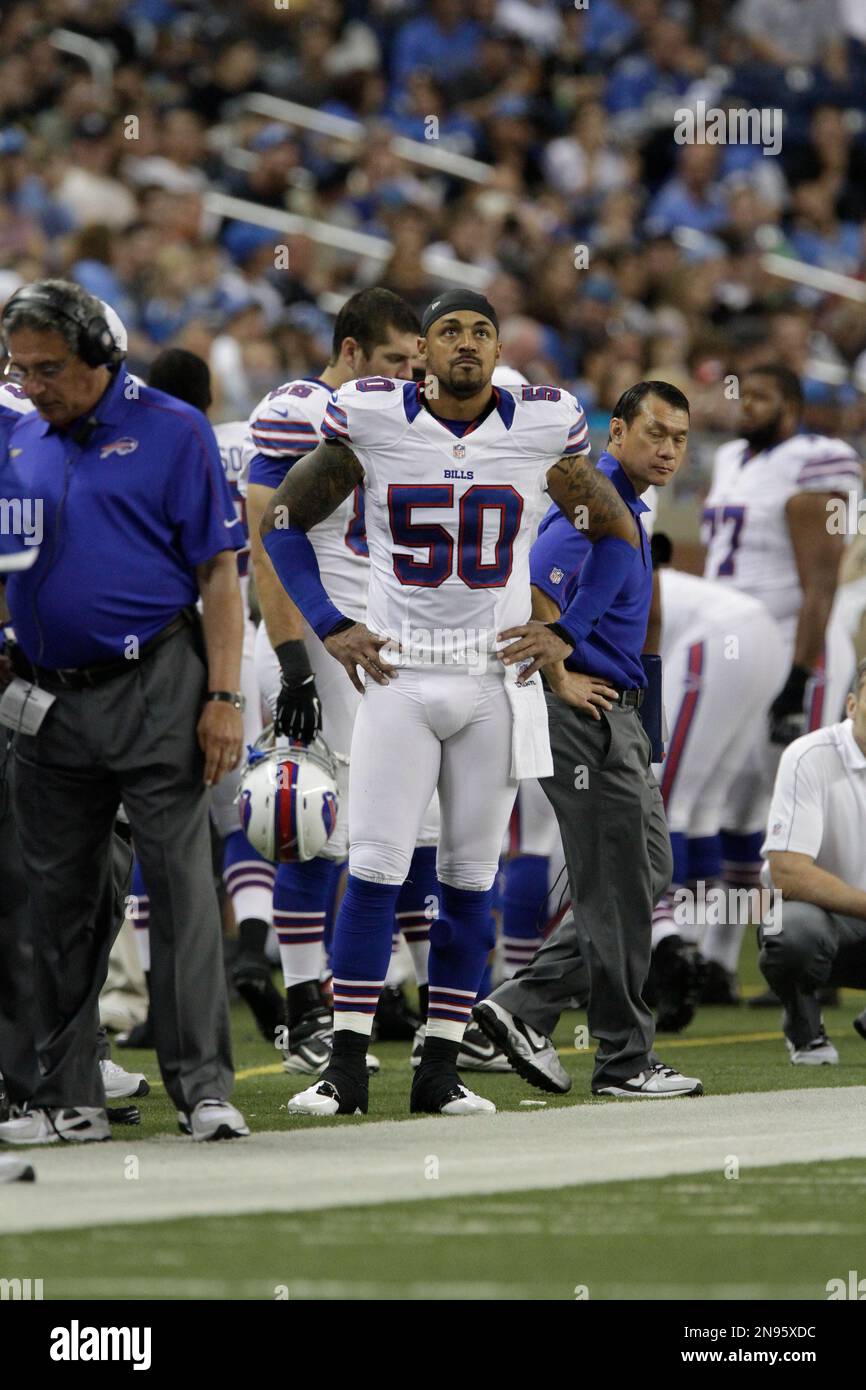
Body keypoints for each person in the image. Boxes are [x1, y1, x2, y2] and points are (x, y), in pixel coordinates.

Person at [261, 287, 643, 1118]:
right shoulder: (370, 416)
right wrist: (329, 624)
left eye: (481, 331)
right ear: (422, 352)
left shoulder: (543, 424)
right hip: (400, 674)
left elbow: (618, 538)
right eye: (448, 332)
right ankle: (346, 1069)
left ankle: (439, 1069)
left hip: (491, 680)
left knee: (472, 880)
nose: (466, 343)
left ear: (499, 348)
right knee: (372, 868)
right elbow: (283, 522)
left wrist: (567, 633)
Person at [0, 279, 249, 1145]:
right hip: (44, 700)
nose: (34, 386)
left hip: (158, 687)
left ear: (101, 358)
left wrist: (223, 696)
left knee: (179, 891)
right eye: (21, 369)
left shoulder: (174, 430)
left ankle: (204, 1088)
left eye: (51, 368)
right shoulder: (18, 434)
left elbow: (221, 572)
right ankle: (64, 1093)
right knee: (53, 904)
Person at [473, 381, 705, 1098]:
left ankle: (520, 1009)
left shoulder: (628, 506)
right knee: (614, 890)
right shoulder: (590, 506)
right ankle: (624, 1060)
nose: (667, 448)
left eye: (679, 438)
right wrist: (562, 672)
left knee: (643, 875)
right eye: (654, 433)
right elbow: (537, 590)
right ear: (616, 435)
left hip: (621, 712)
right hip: (591, 713)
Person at [246, 287, 448, 1075]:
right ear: (352, 352)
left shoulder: (410, 417)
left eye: (415, 361)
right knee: (312, 825)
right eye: (395, 359)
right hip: (321, 643)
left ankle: (444, 1014)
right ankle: (305, 1015)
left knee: (421, 829)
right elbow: (270, 535)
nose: (408, 374)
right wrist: (294, 659)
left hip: (387, 646)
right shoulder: (302, 408)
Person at [122, 348, 280, 1048]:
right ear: (214, 395)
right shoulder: (247, 440)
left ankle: (160, 999)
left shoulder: (142, 451)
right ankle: (251, 944)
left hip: (161, 652)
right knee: (246, 815)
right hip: (242, 642)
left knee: (158, 828)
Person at [701, 364, 862, 1002]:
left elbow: (820, 582)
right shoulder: (730, 459)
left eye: (761, 396)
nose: (746, 408)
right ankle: (720, 958)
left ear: (792, 408)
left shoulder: (816, 459)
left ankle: (822, 960)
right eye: (742, 395)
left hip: (796, 653)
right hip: (733, 654)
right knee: (737, 806)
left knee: (799, 805)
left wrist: (799, 676)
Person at [646, 533, 786, 1029]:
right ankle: (692, 947)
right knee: (702, 809)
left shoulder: (588, 558)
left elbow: (644, 624)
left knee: (662, 802)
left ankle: (668, 951)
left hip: (718, 639)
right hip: (762, 637)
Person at [759, 657, 866, 1064]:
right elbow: (787, 872)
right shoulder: (809, 756)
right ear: (852, 706)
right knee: (790, 931)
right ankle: (805, 1030)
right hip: (830, 925)